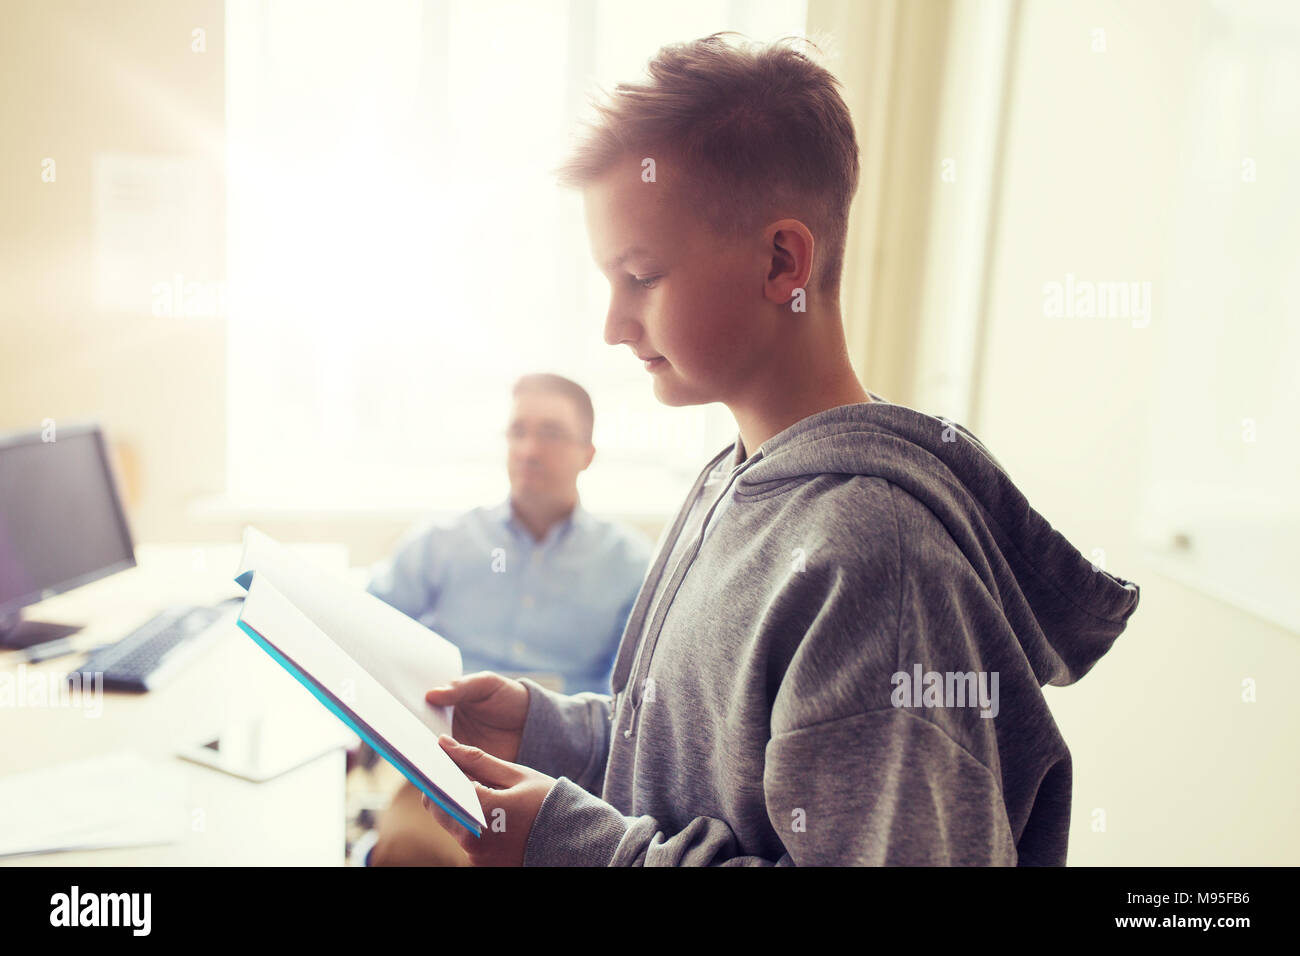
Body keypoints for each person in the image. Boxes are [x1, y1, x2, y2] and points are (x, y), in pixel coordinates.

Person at [417, 33, 1141, 866]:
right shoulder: (736, 481)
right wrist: (545, 729)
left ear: (782, 260)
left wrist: (575, 847)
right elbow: (684, 751)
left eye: (642, 276)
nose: (612, 325)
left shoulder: (876, 568)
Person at [366, 372, 651, 695]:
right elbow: (364, 623)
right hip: (441, 728)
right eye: (518, 432)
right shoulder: (440, 543)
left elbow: (635, 696)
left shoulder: (631, 565)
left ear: (587, 455)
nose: (529, 451)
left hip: (564, 741)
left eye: (551, 434)